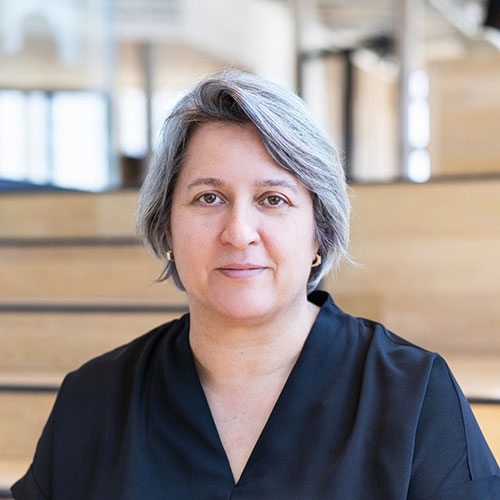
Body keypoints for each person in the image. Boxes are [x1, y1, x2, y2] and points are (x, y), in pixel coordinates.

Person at [12, 69, 500, 500]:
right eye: (209, 198)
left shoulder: (414, 396)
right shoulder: (93, 399)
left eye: (273, 199)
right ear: (166, 229)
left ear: (319, 232)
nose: (239, 232)